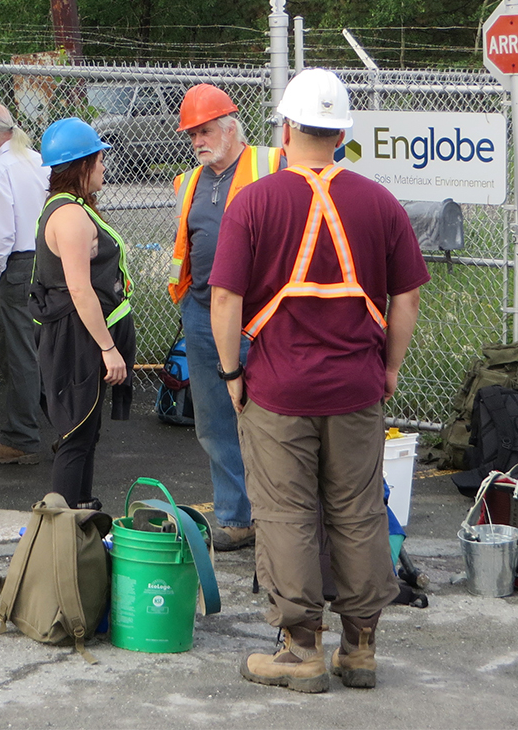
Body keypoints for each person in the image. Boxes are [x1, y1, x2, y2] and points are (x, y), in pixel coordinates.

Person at [210, 69, 429, 693]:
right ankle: (360, 649)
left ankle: (301, 650)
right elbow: (407, 296)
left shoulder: (255, 201)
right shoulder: (379, 202)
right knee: (359, 511)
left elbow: (224, 298)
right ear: (341, 134)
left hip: (278, 390)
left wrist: (232, 373)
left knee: (286, 515)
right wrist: (389, 367)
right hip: (357, 388)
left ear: (285, 129)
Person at [169, 83, 283, 551]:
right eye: (192, 134)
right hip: (201, 312)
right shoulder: (189, 182)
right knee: (216, 421)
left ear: (232, 128)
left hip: (259, 315)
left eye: (206, 130)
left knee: (272, 420)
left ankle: (280, 516)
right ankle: (237, 518)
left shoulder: (273, 165)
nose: (198, 141)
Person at [29, 118, 135, 511]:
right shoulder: (70, 216)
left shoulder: (71, 209)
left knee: (86, 430)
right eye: (99, 159)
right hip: (77, 338)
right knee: (76, 433)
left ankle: (80, 512)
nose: (104, 166)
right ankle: (60, 525)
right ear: (82, 165)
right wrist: (108, 348)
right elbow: (79, 289)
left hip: (76, 334)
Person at [0, 103, 49, 464]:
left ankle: (21, 436)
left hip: (17, 266)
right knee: (48, 349)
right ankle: (69, 431)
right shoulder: (38, 161)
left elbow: (0, 236)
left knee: (19, 354)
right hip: (48, 260)